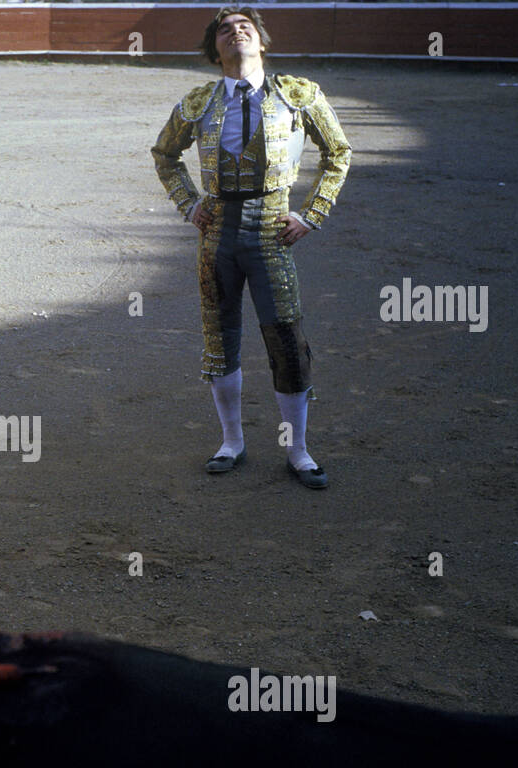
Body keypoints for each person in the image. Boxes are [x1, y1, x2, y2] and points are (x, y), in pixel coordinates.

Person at [152, 6, 350, 489]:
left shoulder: (299, 95)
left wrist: (312, 213)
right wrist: (188, 203)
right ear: (213, 49)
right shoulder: (197, 102)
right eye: (224, 28)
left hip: (271, 232)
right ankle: (231, 442)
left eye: (245, 26)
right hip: (217, 234)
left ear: (261, 41)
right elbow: (164, 154)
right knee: (221, 343)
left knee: (286, 341)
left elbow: (338, 152)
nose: (235, 31)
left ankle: (298, 449)